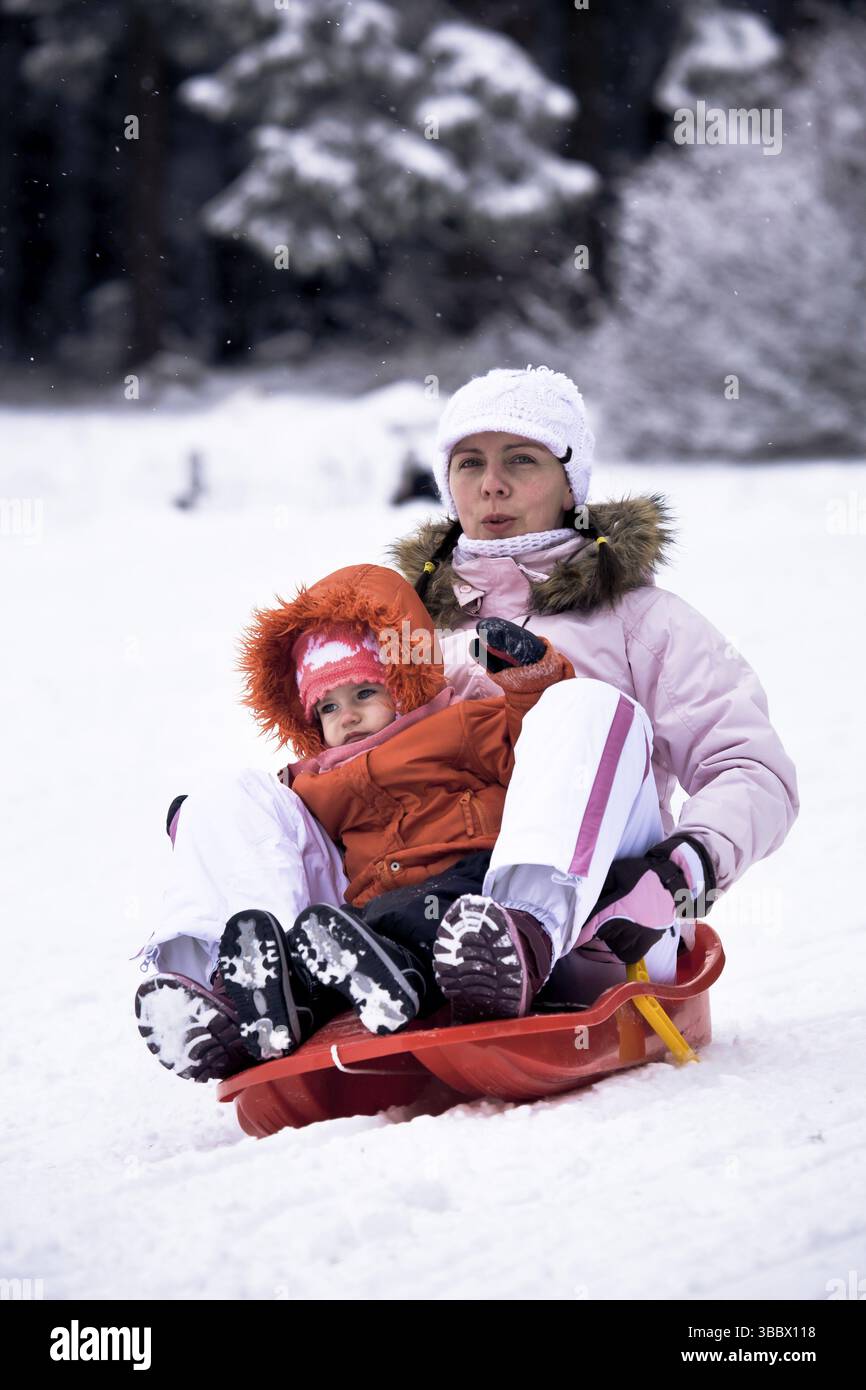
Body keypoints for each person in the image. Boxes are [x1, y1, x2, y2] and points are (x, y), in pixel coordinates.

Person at [132, 364, 799, 1083]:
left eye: (522, 460)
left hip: (606, 918)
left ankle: (522, 933)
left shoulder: (644, 622)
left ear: (571, 481)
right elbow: (358, 768)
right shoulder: (404, 633)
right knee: (230, 796)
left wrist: (680, 872)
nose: (493, 486)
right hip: (401, 908)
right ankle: (238, 993)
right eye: (470, 464)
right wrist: (239, 827)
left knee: (583, 706)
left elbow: (752, 771)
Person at [214, 563, 575, 1054]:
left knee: (406, 921)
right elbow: (284, 833)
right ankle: (276, 1007)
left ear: (401, 687)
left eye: (365, 693)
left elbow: (538, 744)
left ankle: (399, 983)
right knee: (318, 936)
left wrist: (531, 678)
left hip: (465, 874)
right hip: (369, 909)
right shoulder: (316, 781)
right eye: (329, 707)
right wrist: (215, 822)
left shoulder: (455, 724)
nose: (350, 716)